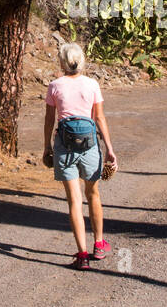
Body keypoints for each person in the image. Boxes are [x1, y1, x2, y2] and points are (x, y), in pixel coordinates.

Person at [43, 42, 117, 269]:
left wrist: (47, 147)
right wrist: (110, 149)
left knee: (74, 201)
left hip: (64, 147)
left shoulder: (54, 86)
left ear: (62, 62)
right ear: (82, 61)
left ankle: (82, 255)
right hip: (90, 146)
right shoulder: (92, 84)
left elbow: (49, 120)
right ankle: (98, 244)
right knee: (93, 194)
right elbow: (100, 118)